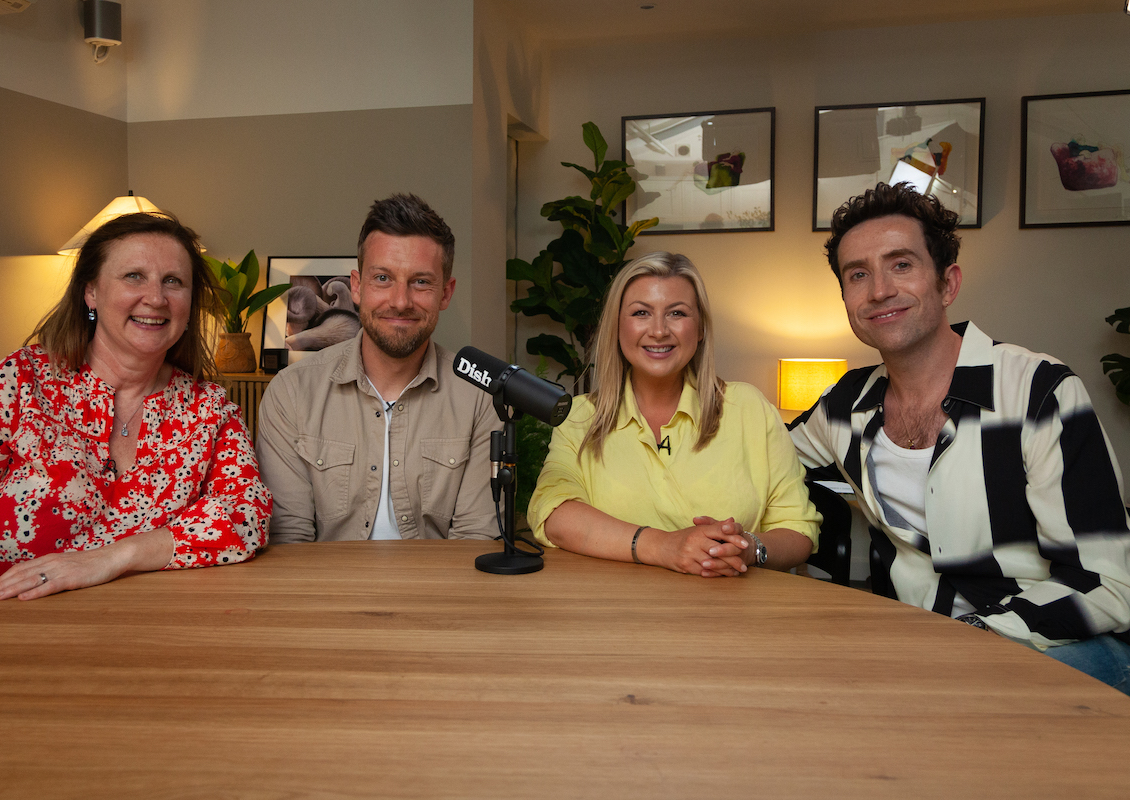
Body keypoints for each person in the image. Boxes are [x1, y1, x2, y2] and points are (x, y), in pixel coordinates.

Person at [788, 181, 1130, 692]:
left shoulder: (1039, 392)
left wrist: (963, 639)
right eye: (857, 274)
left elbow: (1107, 583)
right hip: (918, 651)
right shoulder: (845, 404)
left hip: (1054, 646)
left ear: (947, 284)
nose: (879, 290)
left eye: (901, 264)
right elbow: (755, 457)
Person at [0, 212, 271, 601]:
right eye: (134, 276)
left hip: (157, 627)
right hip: (6, 624)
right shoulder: (19, 382)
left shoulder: (210, 409)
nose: (156, 298)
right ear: (91, 291)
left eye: (173, 281)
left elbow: (246, 514)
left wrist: (115, 557)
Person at [528, 252, 820, 576]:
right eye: (641, 312)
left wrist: (748, 548)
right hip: (614, 604)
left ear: (700, 328)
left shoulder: (749, 408)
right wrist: (664, 546)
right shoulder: (579, 417)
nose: (658, 331)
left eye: (677, 313)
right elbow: (553, 514)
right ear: (616, 327)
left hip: (732, 603)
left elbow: (799, 530)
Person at [257, 194, 500, 542]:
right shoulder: (291, 393)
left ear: (446, 293)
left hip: (441, 580)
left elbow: (475, 539)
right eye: (383, 278)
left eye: (421, 282)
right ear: (357, 287)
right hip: (322, 580)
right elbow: (289, 541)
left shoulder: (479, 398)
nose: (400, 302)